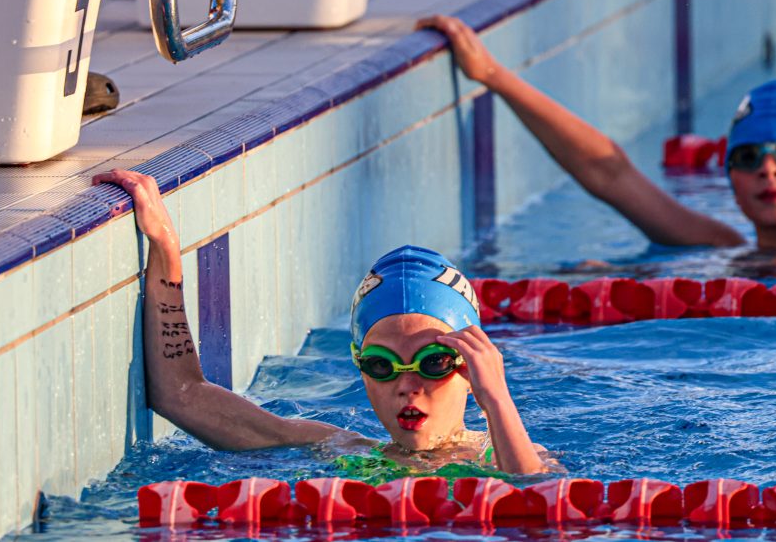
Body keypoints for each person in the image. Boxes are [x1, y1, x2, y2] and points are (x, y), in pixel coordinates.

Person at [92, 169, 557, 475]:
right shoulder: (340, 448)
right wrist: (167, 253)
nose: (407, 386)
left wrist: (497, 399)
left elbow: (537, 509)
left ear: (471, 370)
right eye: (381, 366)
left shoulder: (501, 454)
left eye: (433, 363)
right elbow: (182, 396)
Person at [417, 15, 776, 270]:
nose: (769, 169)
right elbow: (609, 172)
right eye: (747, 157)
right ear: (729, 178)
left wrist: (637, 276)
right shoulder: (719, 244)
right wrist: (493, 76)